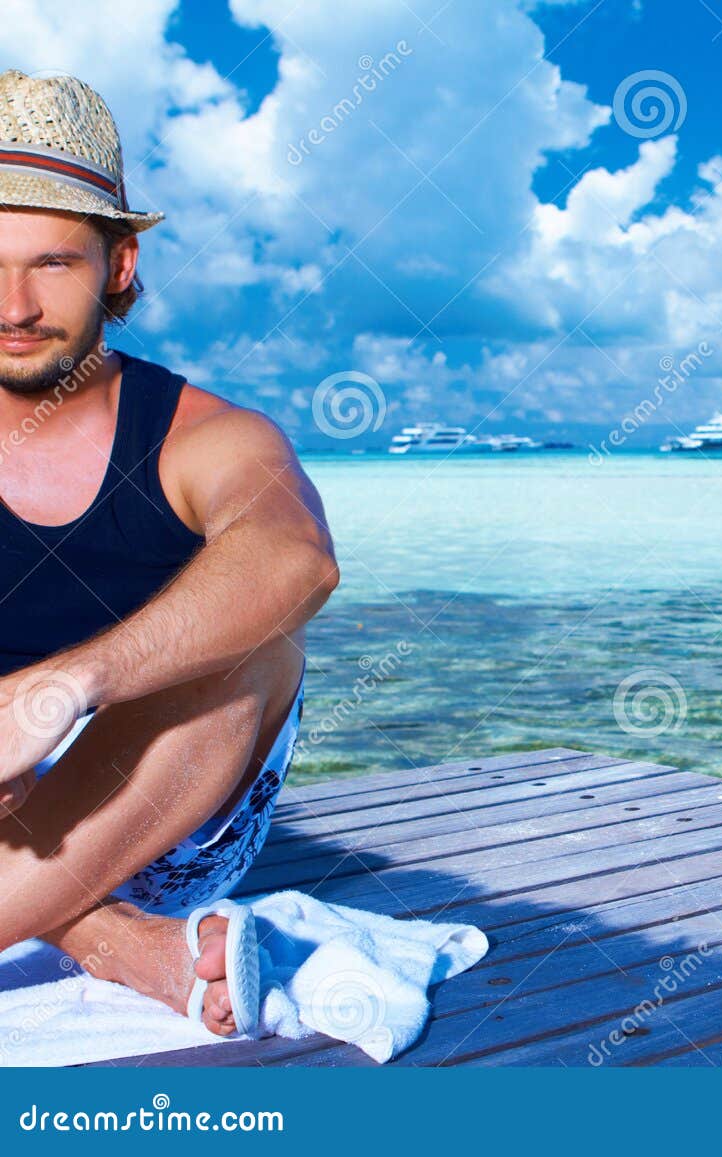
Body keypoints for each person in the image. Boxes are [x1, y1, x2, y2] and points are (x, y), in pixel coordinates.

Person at [0, 70, 338, 1035]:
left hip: (163, 823)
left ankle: (89, 908)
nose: (14, 304)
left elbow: (296, 558)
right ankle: (109, 939)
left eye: (52, 264)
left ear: (118, 265)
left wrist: (57, 692)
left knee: (258, 644)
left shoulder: (207, 435)